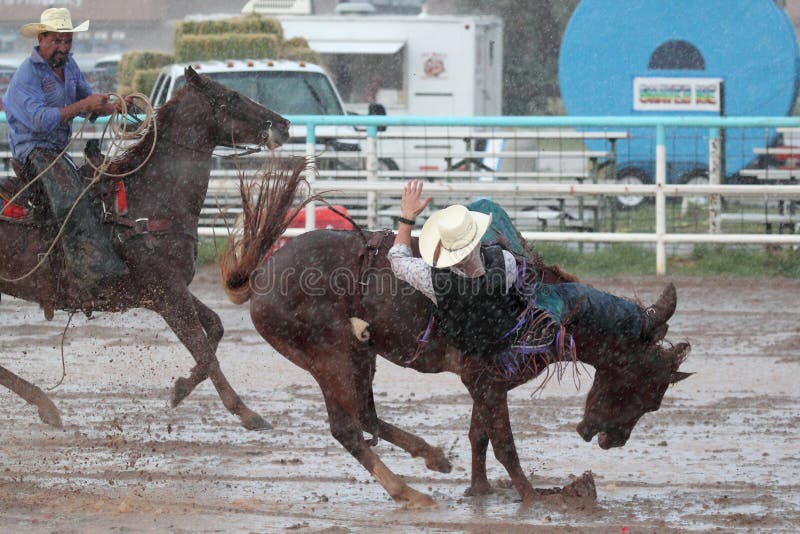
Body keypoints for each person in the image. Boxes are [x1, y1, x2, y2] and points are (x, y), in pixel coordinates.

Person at [388, 180, 677, 362]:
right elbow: (519, 278)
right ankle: (642, 319)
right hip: (503, 335)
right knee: (576, 294)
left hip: (463, 339)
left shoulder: (429, 278)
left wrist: (407, 218)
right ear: (476, 238)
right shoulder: (506, 262)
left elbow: (398, 260)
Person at [2, 8, 129, 306]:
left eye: (67, 41)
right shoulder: (25, 77)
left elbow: (87, 100)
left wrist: (111, 107)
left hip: (56, 151)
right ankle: (87, 276)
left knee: (96, 188)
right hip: (33, 149)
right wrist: (84, 103)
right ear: (41, 38)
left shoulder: (69, 67)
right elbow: (40, 121)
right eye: (57, 41)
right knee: (70, 200)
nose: (62, 47)